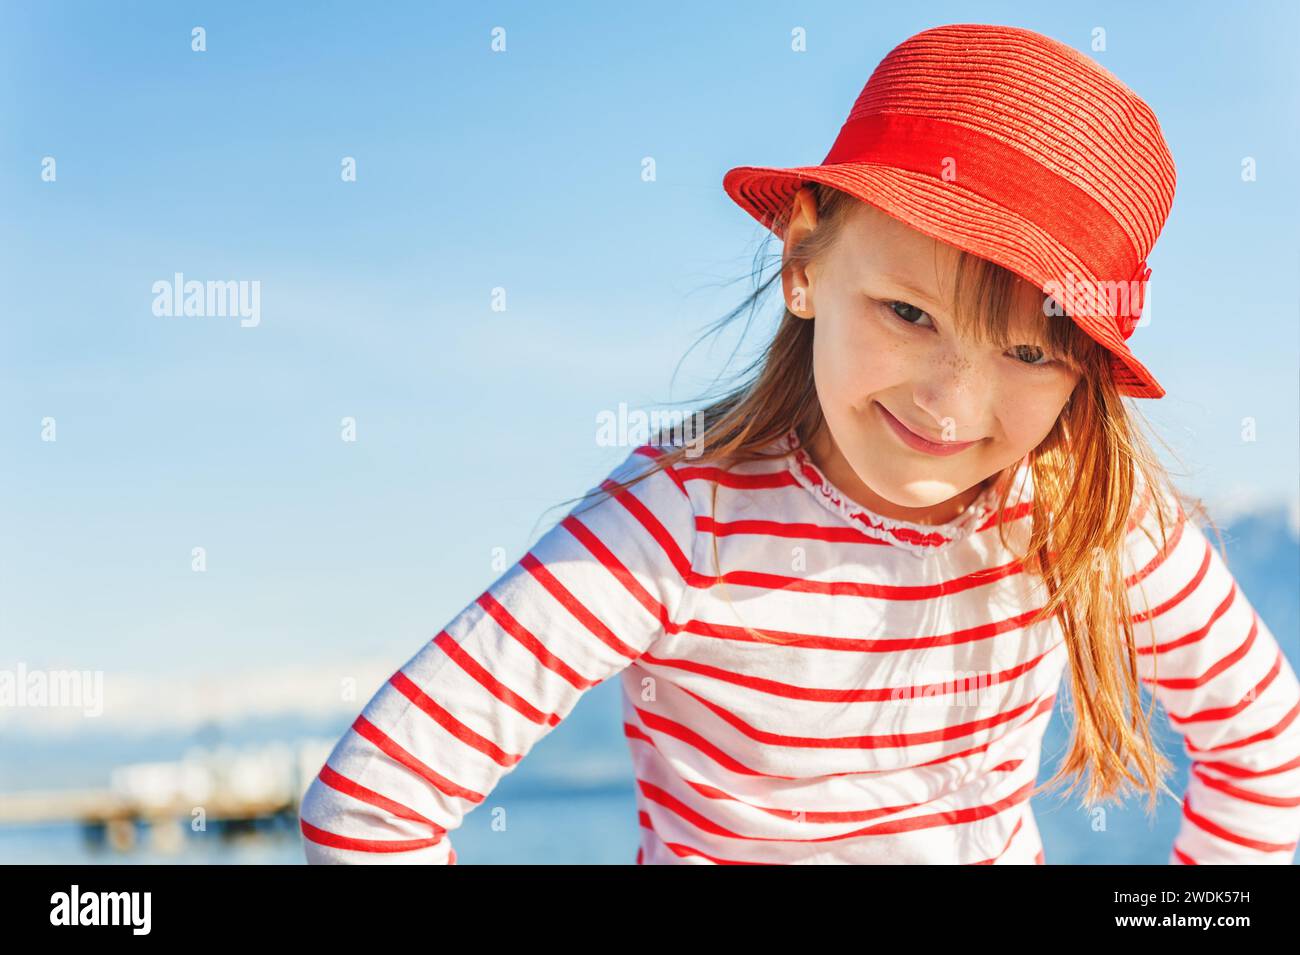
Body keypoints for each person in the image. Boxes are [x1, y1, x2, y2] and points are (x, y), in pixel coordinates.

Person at [298, 22, 1300, 864]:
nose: (954, 401)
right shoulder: (682, 520)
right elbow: (376, 801)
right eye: (908, 312)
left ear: (1085, 369)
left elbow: (1264, 749)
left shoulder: (1088, 513)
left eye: (1030, 351)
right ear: (805, 258)